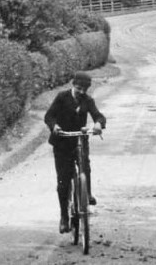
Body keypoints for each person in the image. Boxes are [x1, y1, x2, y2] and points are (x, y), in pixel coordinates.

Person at [44, 70, 106, 234]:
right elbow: (49, 116)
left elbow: (98, 116)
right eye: (79, 88)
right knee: (63, 182)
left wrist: (99, 124)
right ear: (73, 85)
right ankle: (64, 217)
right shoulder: (62, 97)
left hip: (79, 140)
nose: (81, 92)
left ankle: (88, 193)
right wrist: (54, 126)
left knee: (85, 164)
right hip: (62, 142)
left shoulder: (87, 100)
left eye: (84, 89)